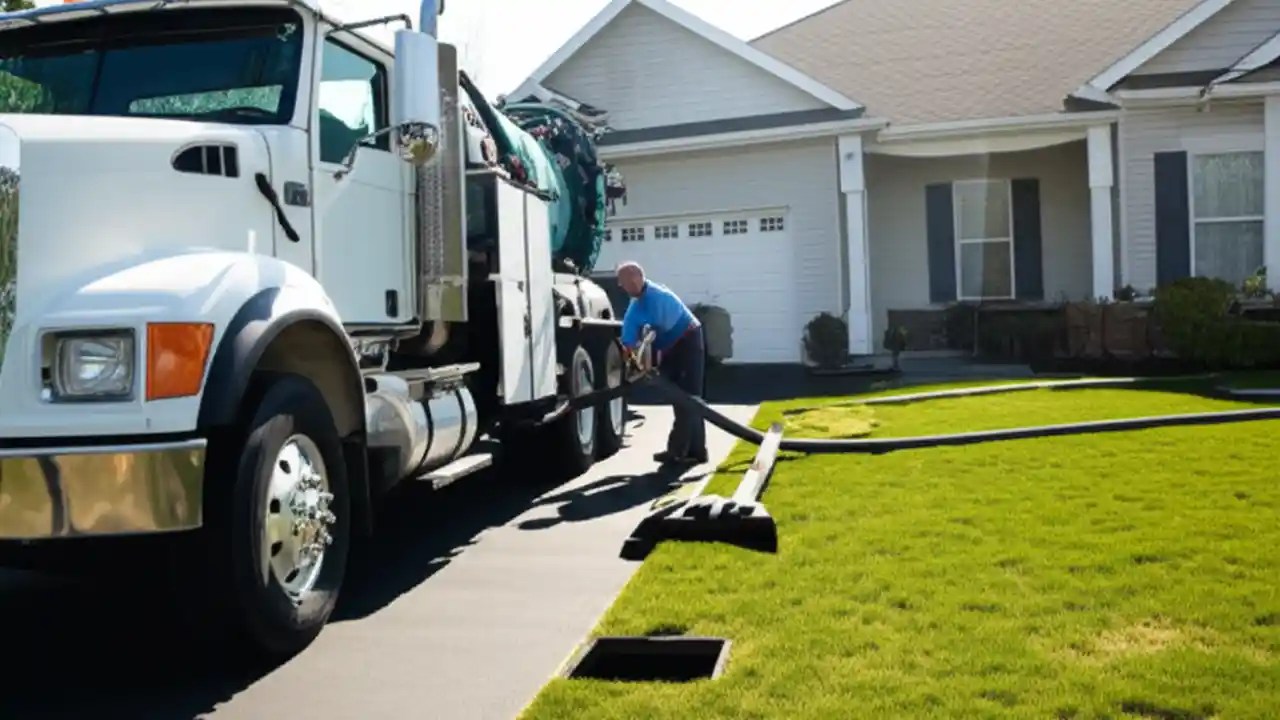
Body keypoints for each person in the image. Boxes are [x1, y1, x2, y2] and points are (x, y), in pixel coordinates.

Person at [616, 261, 707, 465]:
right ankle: (694, 451)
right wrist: (629, 357)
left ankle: (682, 451)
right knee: (680, 398)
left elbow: (669, 332)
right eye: (620, 283)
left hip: (688, 340)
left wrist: (652, 360)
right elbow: (629, 338)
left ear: (637, 278)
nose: (622, 287)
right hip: (672, 346)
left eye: (624, 282)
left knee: (689, 398)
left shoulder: (660, 297)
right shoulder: (636, 306)